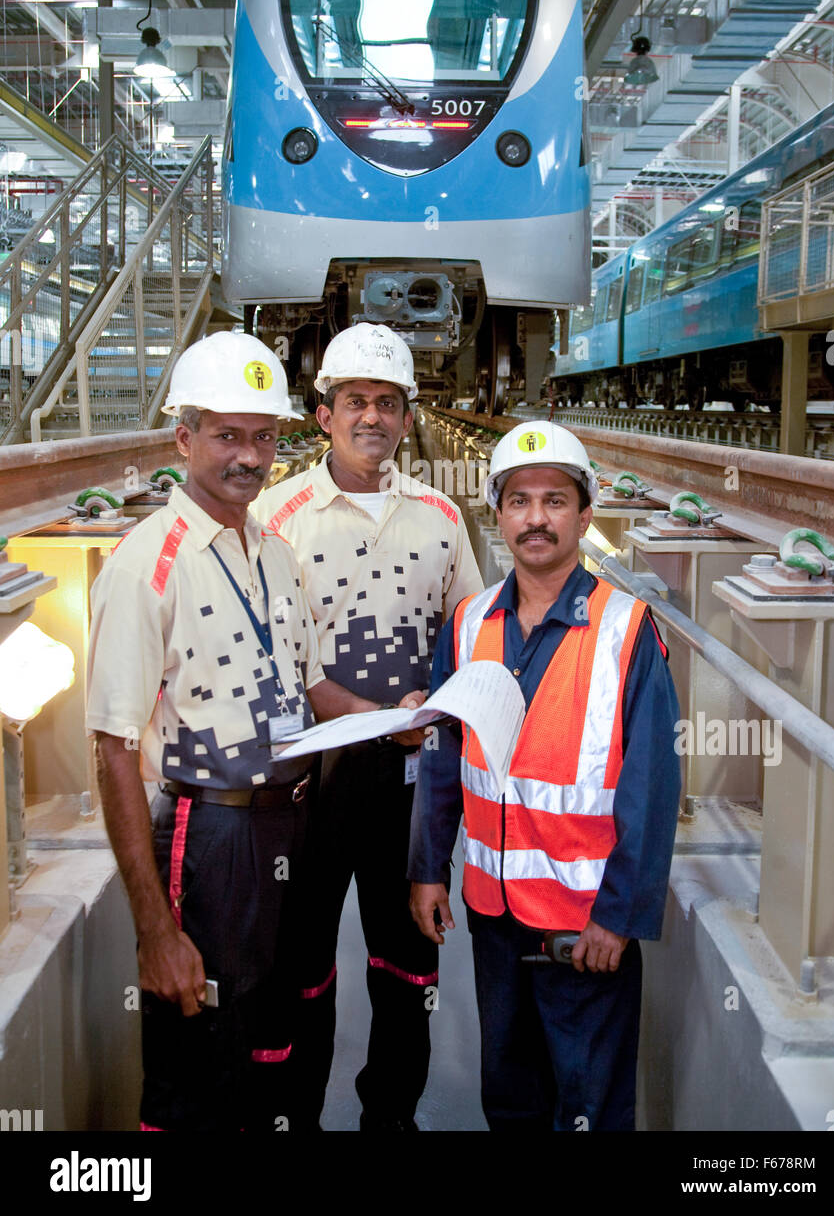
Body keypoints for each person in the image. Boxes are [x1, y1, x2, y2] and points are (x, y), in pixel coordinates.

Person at [87, 331, 423, 1132]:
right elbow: (112, 749)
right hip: (208, 836)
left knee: (266, 1034)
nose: (248, 456)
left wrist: (392, 720)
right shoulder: (146, 567)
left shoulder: (273, 553)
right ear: (184, 436)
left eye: (264, 437)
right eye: (227, 435)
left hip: (289, 818)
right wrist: (155, 931)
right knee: (193, 1055)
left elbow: (305, 684)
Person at [409, 420, 681, 1132]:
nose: (537, 519)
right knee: (510, 1093)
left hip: (584, 926)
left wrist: (618, 918)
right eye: (520, 500)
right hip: (495, 917)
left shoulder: (627, 629)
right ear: (497, 514)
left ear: (585, 514)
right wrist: (428, 869)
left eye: (555, 501)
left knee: (588, 1105)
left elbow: (651, 789)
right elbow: (442, 757)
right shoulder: (468, 625)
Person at [253, 322, 482, 1131]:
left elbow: (467, 632)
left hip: (407, 783)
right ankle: (295, 1118)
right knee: (301, 964)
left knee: (406, 963)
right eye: (355, 401)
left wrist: (443, 704)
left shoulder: (440, 516)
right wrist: (365, 715)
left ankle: (393, 1118)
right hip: (309, 779)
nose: (371, 418)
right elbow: (271, 652)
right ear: (323, 415)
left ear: (407, 418)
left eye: (387, 403)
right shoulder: (277, 516)